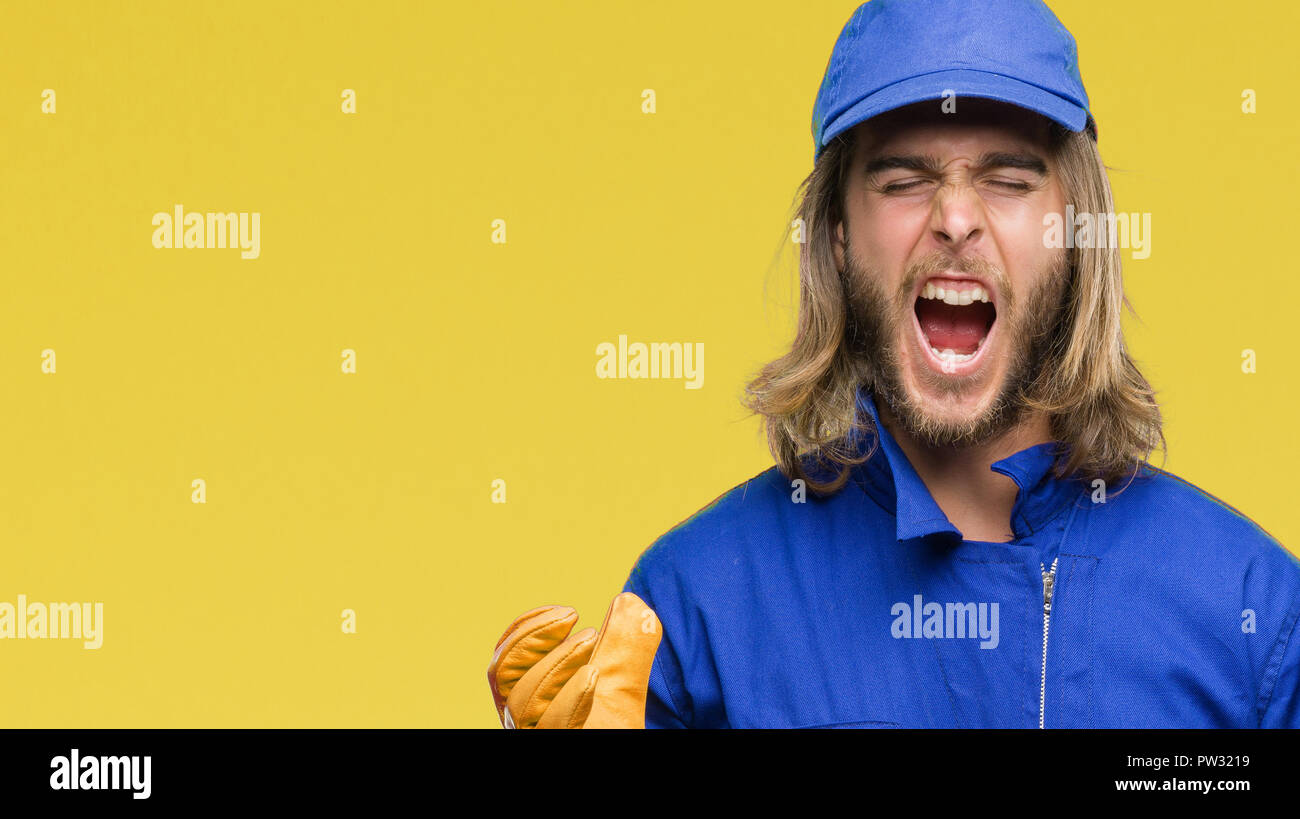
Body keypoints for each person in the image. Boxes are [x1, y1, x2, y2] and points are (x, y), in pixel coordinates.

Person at [487, 0, 1300, 728]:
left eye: (1009, 178)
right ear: (837, 237)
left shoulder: (1251, 611)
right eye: (904, 179)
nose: (954, 217)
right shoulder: (699, 609)